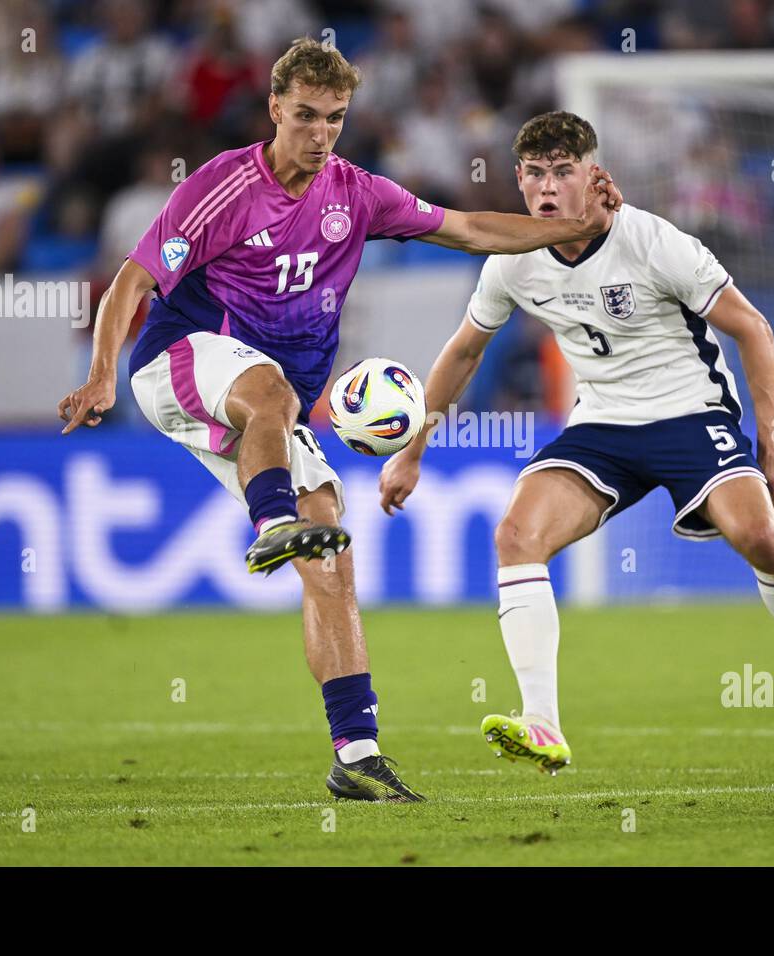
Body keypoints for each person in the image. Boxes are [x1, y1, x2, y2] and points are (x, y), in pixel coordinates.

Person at [57, 41, 621, 802]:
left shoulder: (356, 194)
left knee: (331, 548)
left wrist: (567, 229)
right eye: (305, 117)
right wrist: (98, 373)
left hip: (263, 405)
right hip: (178, 363)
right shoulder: (223, 186)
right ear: (274, 110)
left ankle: (356, 753)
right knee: (270, 394)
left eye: (335, 119)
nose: (321, 134)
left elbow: (469, 229)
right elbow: (134, 276)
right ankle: (269, 523)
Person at [378, 111, 774, 775]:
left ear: (593, 175)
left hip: (692, 413)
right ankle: (541, 722)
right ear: (519, 181)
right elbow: (463, 353)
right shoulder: (513, 262)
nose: (548, 187)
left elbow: (753, 328)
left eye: (563, 172)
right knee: (517, 534)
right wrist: (411, 451)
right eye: (537, 174)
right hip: (603, 423)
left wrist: (772, 443)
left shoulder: (654, 242)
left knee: (760, 540)